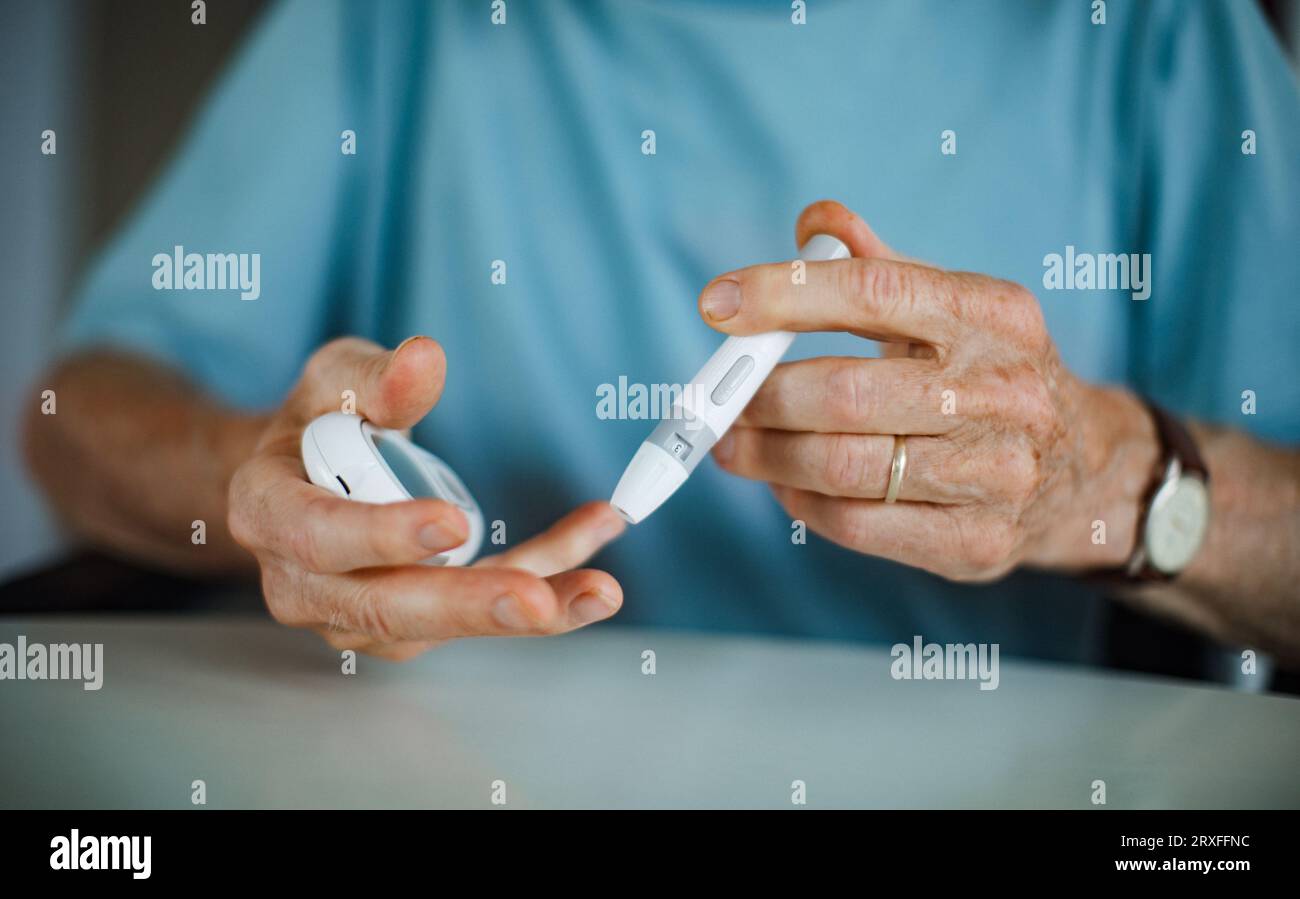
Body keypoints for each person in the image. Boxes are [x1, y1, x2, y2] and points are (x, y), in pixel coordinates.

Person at [25, 0, 1300, 664]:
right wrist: (265, 477)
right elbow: (76, 416)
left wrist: (1115, 482)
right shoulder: (393, 24)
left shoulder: (1150, 30)